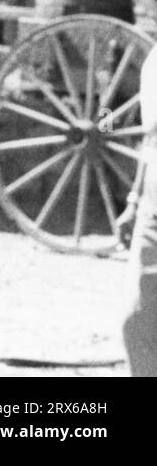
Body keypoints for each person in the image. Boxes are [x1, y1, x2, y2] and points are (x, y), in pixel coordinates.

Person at [121, 47, 157, 376]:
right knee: (137, 322)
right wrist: (133, 200)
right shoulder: (155, 62)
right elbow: (151, 141)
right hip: (153, 212)